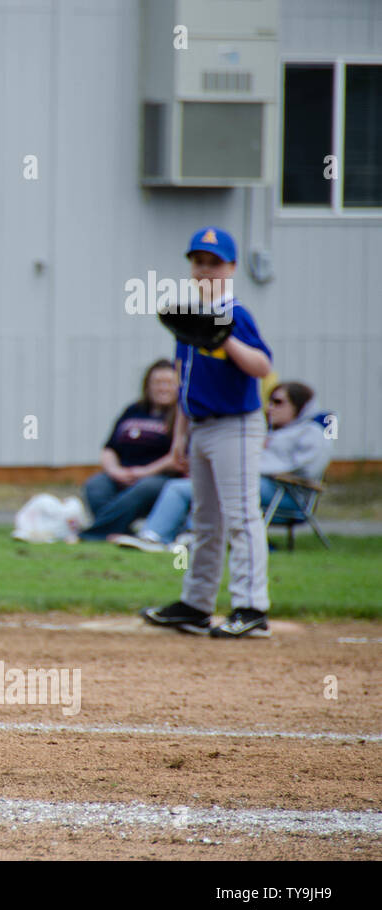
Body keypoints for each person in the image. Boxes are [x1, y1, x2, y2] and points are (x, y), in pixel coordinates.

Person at [140, 227, 274, 638]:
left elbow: (262, 367)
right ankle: (197, 605)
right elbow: (184, 382)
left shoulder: (235, 314)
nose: (206, 269)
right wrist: (180, 436)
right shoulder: (191, 317)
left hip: (235, 424)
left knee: (241, 518)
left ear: (232, 267)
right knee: (205, 521)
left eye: (215, 262)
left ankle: (251, 608)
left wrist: (226, 339)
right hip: (200, 426)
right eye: (199, 262)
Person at [114, 381, 331, 550]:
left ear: (299, 406)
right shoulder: (272, 431)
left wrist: (257, 468)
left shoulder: (311, 432)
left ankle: (173, 536)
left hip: (284, 494)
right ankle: (157, 536)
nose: (270, 407)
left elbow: (310, 468)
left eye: (278, 402)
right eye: (270, 400)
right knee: (186, 487)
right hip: (253, 485)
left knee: (202, 487)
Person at [78, 359, 181, 540]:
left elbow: (177, 456)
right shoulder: (133, 410)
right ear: (147, 386)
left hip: (158, 477)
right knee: (96, 485)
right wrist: (115, 471)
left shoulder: (182, 415)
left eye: (169, 383)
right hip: (123, 472)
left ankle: (92, 534)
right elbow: (110, 448)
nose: (163, 388)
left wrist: (143, 472)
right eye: (157, 383)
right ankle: (123, 531)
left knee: (146, 488)